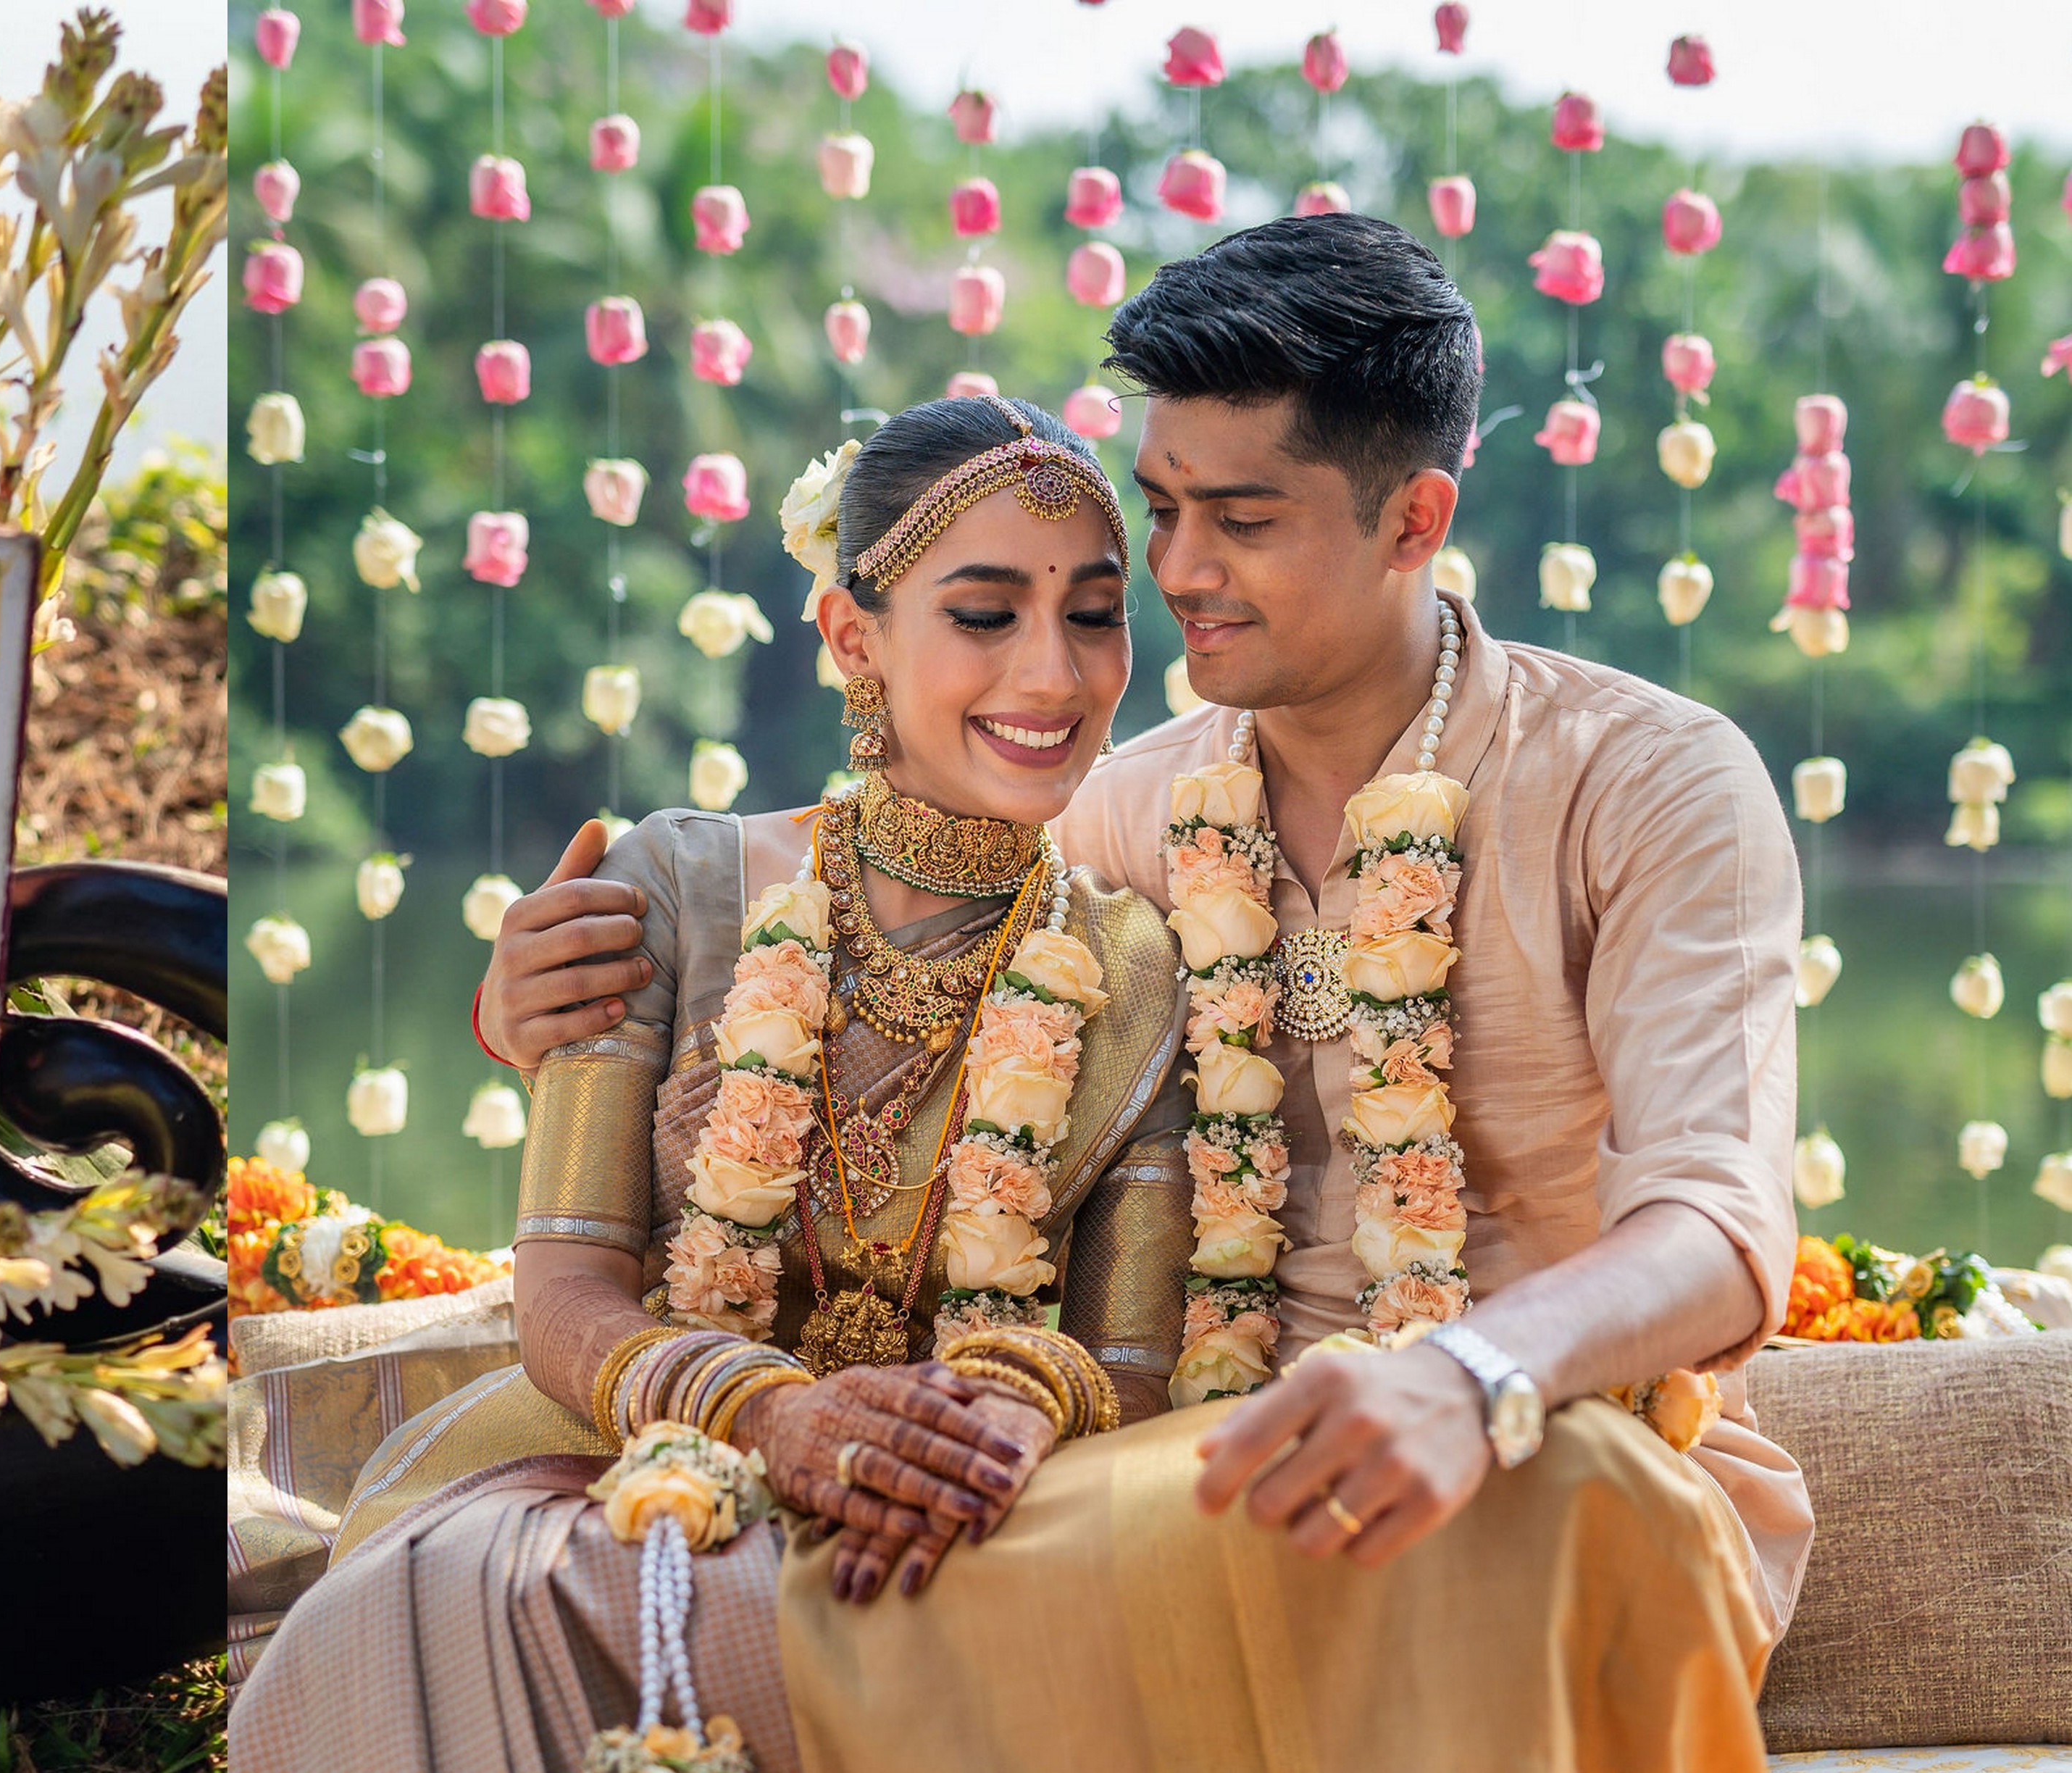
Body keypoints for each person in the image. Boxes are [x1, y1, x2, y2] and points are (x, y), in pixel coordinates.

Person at [456, 215, 1803, 1769]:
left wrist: (1462, 1377)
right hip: (1179, 1470)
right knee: (842, 1580)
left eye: (1239, 520)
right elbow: (825, 973)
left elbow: (1714, 1225)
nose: (1176, 574)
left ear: (1412, 516)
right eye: (1161, 511)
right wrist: (544, 1006)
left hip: (1540, 1439)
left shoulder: (1646, 784)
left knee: (1544, 1498)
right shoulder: (1117, 813)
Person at [234, 391, 1216, 1771]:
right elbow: (564, 1296)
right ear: (851, 636)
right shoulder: (678, 887)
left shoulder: (1138, 965)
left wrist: (1006, 1410)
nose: (1054, 676)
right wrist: (774, 1412)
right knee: (449, 1599)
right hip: (618, 1441)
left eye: (1097, 614)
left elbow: (1131, 1367)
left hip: (962, 1497)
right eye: (986, 615)